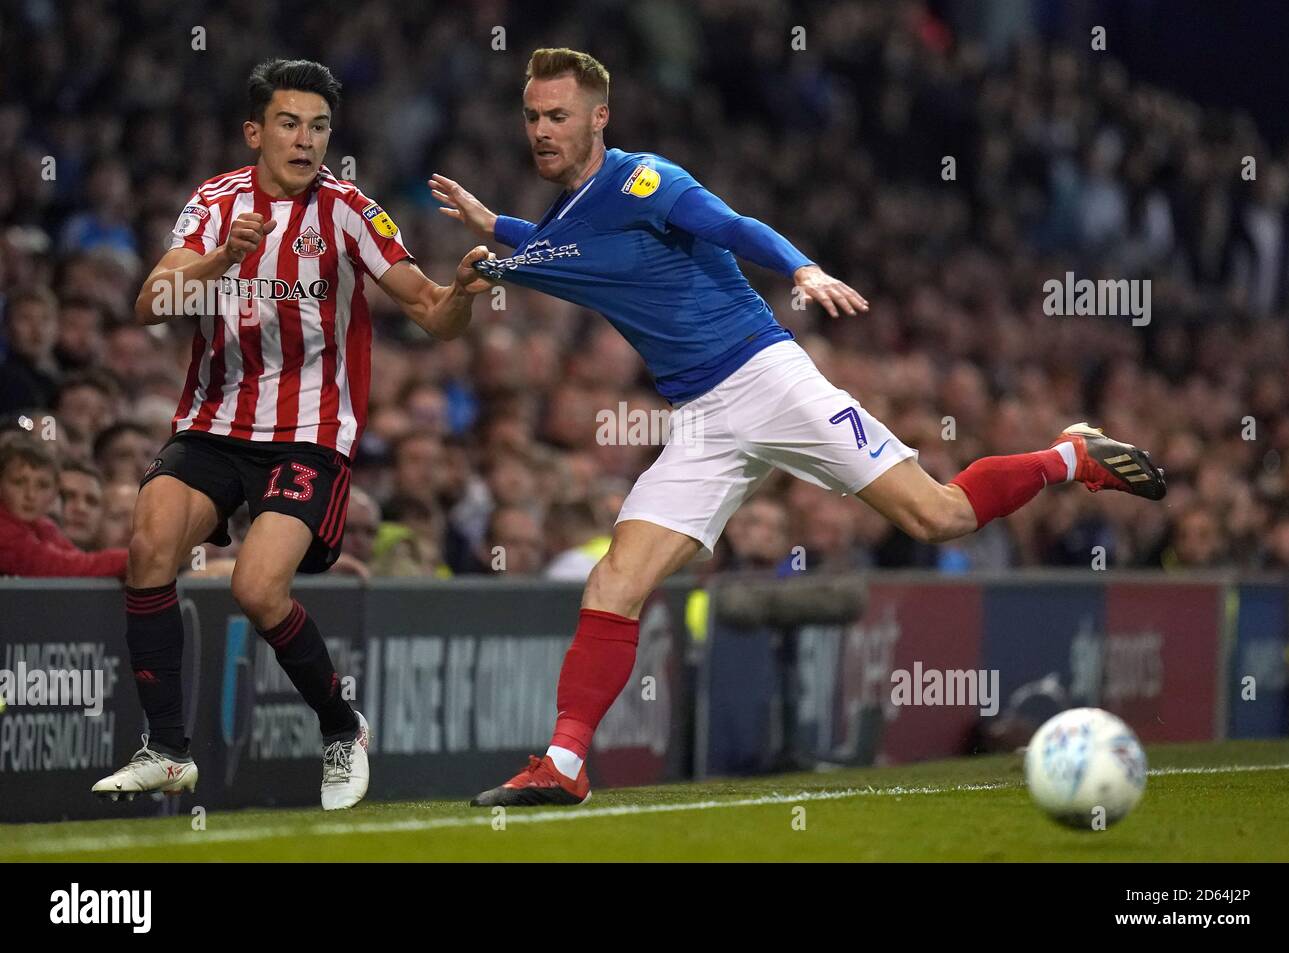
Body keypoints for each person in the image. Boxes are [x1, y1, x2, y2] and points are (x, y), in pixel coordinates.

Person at [432, 48, 1167, 807]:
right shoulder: (562, 222)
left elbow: (729, 223)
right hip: (703, 420)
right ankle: (564, 763)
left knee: (938, 514)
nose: (543, 130)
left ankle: (1069, 456)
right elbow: (570, 246)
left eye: (558, 115)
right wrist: (499, 224)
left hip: (768, 379)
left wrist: (802, 268)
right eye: (532, 116)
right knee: (614, 578)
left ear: (599, 118)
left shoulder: (642, 177)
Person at [92, 58, 493, 810]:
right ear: (255, 132)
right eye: (288, 123)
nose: (305, 140)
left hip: (308, 433)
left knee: (255, 584)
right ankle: (169, 748)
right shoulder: (214, 204)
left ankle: (341, 727)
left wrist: (465, 291)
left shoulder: (350, 211)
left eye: (318, 127)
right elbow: (150, 302)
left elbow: (434, 314)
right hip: (211, 423)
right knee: (148, 545)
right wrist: (223, 258)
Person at [0, 435, 127, 578]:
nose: (31, 495)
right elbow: (65, 567)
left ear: (54, 493)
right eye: (18, 482)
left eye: (42, 485)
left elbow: (75, 558)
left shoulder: (44, 526)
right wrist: (133, 558)